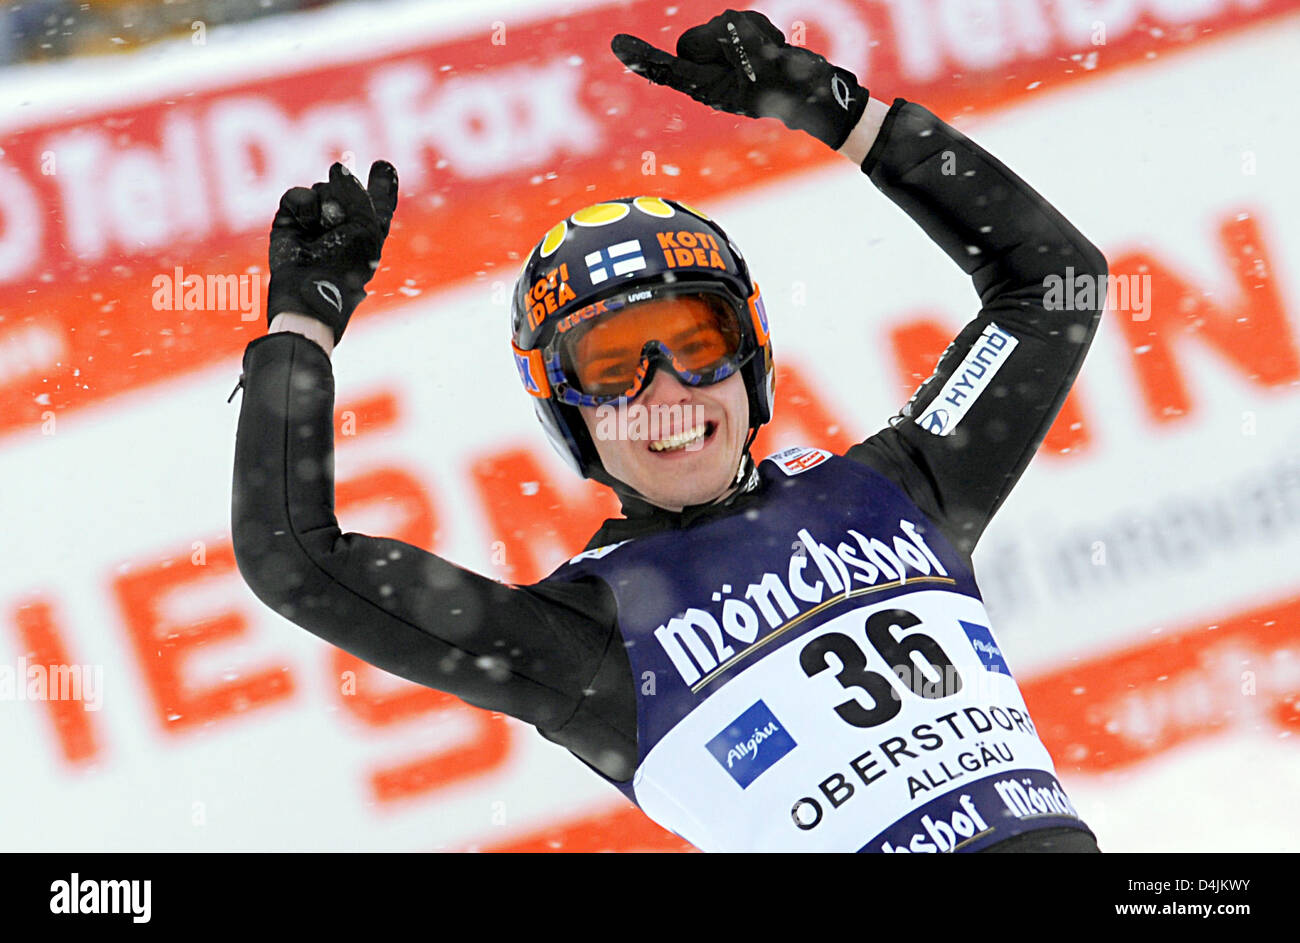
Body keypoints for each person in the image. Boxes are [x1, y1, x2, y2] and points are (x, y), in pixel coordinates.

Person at [231, 9, 1108, 852]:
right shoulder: (586, 643)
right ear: (567, 409)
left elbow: (1056, 282)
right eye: (613, 368)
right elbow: (296, 559)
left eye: (698, 344)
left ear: (751, 359)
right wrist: (302, 324)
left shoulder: (899, 491)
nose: (665, 390)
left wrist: (836, 109)